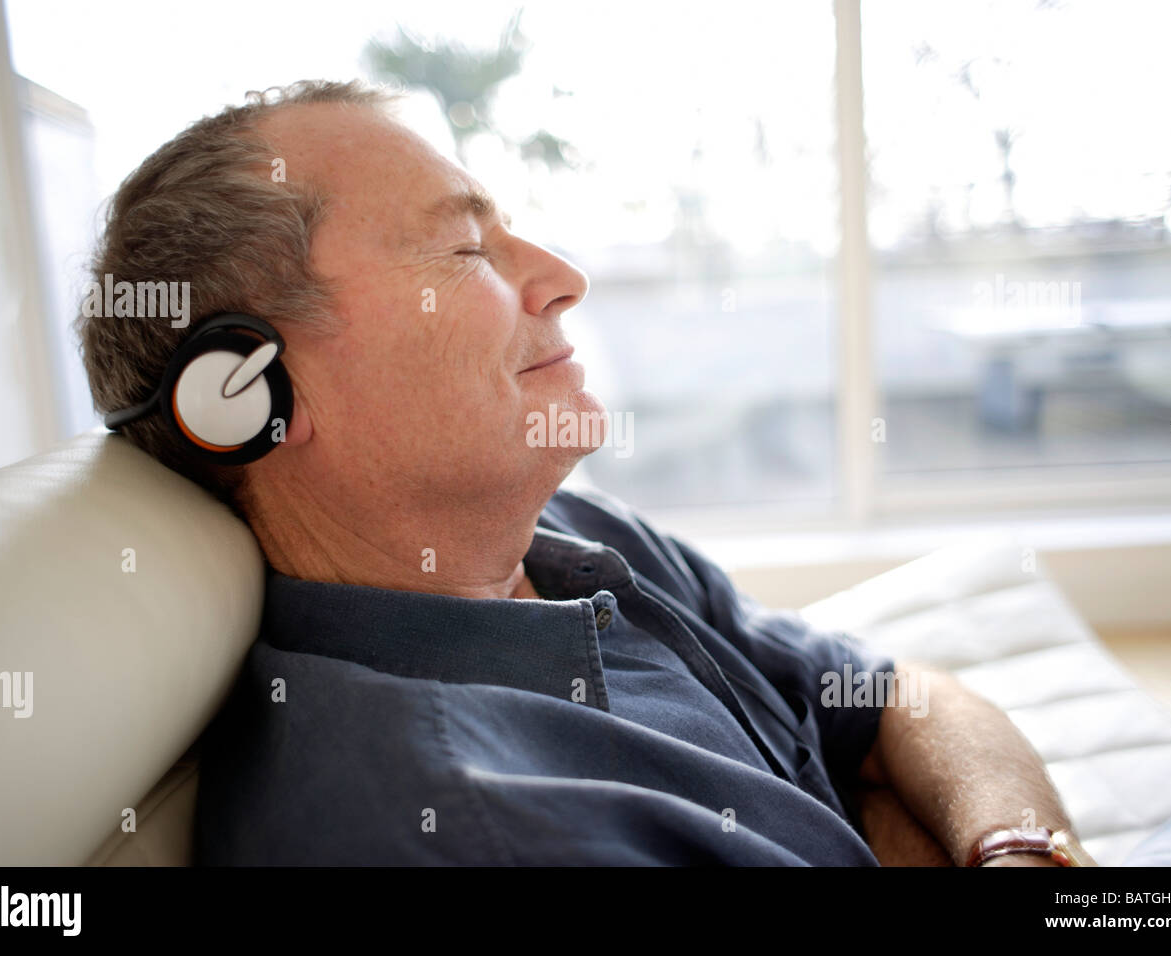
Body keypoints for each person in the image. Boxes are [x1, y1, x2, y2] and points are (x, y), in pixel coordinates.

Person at [78, 81, 1092, 866]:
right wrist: (881, 806)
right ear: (244, 393)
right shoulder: (469, 817)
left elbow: (891, 693)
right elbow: (868, 736)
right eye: (465, 246)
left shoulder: (565, 538)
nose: (564, 276)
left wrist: (1014, 844)